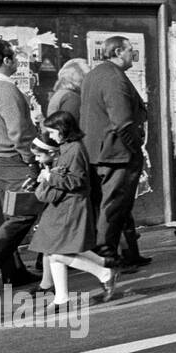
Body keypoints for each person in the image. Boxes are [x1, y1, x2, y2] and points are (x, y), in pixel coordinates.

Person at [30, 116, 117, 306]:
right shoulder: (70, 148)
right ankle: (62, 296)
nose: (52, 136)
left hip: (71, 207)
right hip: (65, 206)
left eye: (53, 132)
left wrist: (49, 176)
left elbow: (77, 180)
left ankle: (104, 273)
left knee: (58, 252)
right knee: (55, 250)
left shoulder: (74, 150)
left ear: (63, 129)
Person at [80, 35, 149, 269]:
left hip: (100, 152)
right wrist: (135, 147)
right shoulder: (113, 77)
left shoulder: (95, 74)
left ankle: (129, 253)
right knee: (114, 206)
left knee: (117, 205)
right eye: (131, 51)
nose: (134, 55)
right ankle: (106, 256)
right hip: (116, 154)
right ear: (119, 51)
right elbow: (122, 121)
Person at [0, 41, 45, 288]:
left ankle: (14, 271)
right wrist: (32, 161)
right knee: (28, 208)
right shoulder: (7, 90)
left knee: (5, 216)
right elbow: (19, 132)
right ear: (8, 61)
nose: (18, 62)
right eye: (16, 57)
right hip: (9, 159)